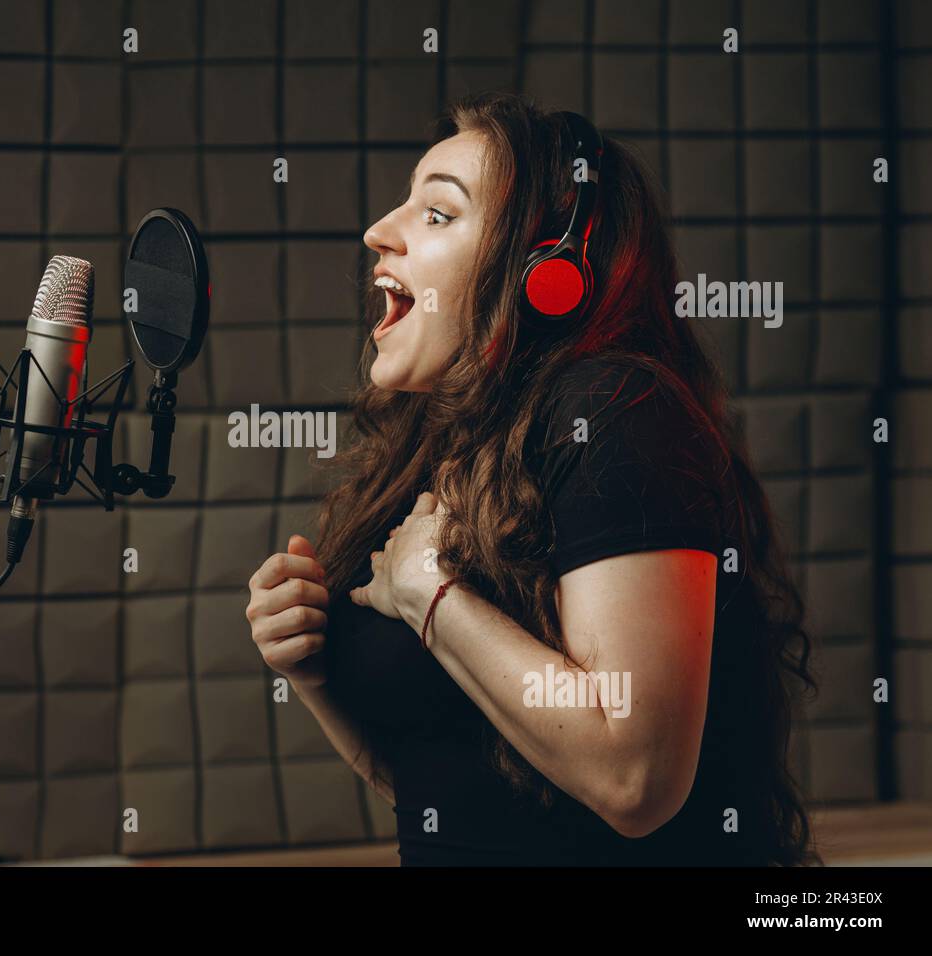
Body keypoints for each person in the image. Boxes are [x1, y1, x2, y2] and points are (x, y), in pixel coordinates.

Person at [244, 92, 817, 866]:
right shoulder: (441, 450)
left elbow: (635, 778)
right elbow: (434, 787)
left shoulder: (615, 409)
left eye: (438, 214)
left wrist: (433, 599)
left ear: (545, 269)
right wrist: (313, 673)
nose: (379, 231)